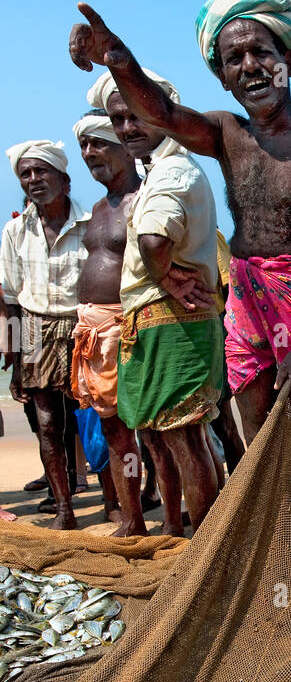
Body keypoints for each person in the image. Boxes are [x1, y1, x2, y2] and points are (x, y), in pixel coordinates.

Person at [69, 0, 291, 493]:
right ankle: (277, 540)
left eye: (262, 53)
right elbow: (160, 112)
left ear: (288, 60)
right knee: (257, 425)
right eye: (234, 59)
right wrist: (117, 59)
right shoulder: (227, 133)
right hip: (247, 295)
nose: (250, 66)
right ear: (223, 78)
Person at [83, 68, 223, 533]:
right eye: (118, 120)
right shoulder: (161, 170)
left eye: (136, 114)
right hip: (158, 322)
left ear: (161, 112)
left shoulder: (173, 171)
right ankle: (186, 537)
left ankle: (205, 549)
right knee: (169, 437)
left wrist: (167, 279)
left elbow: (153, 240)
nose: (127, 128)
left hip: (173, 323)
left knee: (184, 438)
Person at [0, 141, 90, 529]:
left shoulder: (92, 223)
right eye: (26, 173)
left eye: (42, 171)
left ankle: (120, 504)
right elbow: (9, 296)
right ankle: (64, 507)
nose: (34, 179)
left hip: (83, 323)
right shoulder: (15, 229)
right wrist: (14, 349)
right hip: (33, 326)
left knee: (97, 418)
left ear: (65, 181)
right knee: (48, 422)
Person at [71, 111, 149, 535]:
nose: (88, 153)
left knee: (153, 429)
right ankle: (132, 518)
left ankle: (176, 521)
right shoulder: (100, 208)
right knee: (113, 429)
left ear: (124, 146)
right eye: (83, 146)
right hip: (92, 330)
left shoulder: (147, 196)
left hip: (132, 325)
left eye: (97, 143)